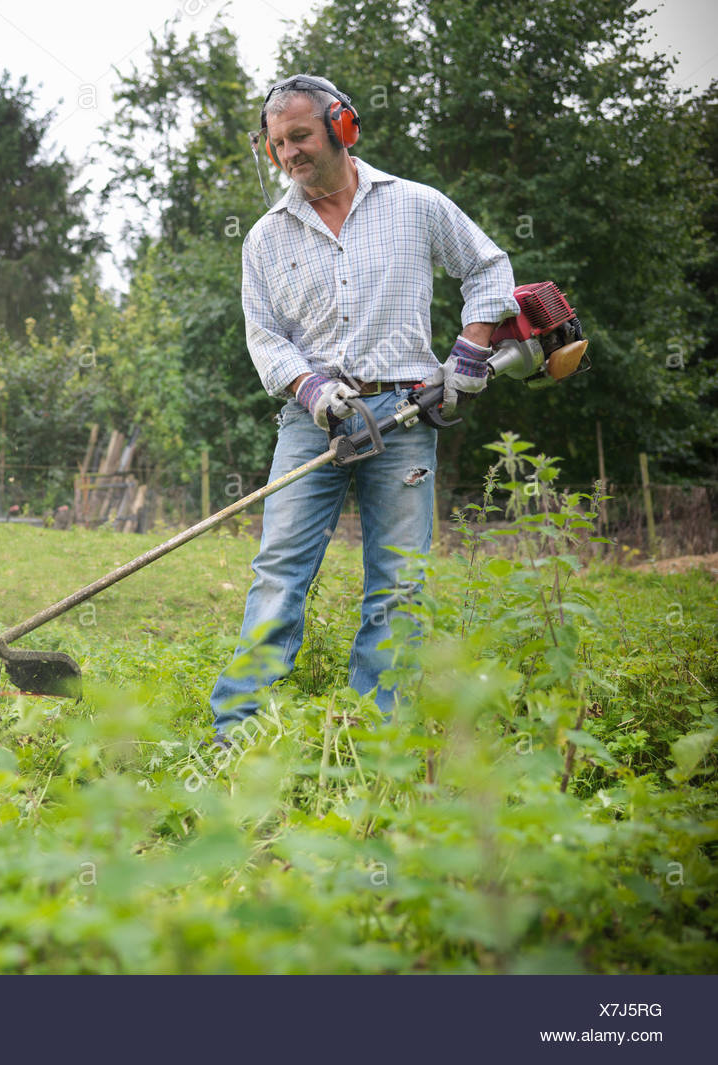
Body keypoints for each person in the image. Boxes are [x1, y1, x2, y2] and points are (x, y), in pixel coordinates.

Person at [208, 74, 519, 743]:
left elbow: (490, 269)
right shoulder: (264, 238)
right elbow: (264, 337)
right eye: (277, 143)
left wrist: (470, 348)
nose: (289, 153)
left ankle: (373, 734)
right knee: (279, 570)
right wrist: (311, 389)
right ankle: (236, 733)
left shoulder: (417, 205)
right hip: (311, 422)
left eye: (301, 135)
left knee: (399, 581)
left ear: (341, 127)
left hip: (405, 415)